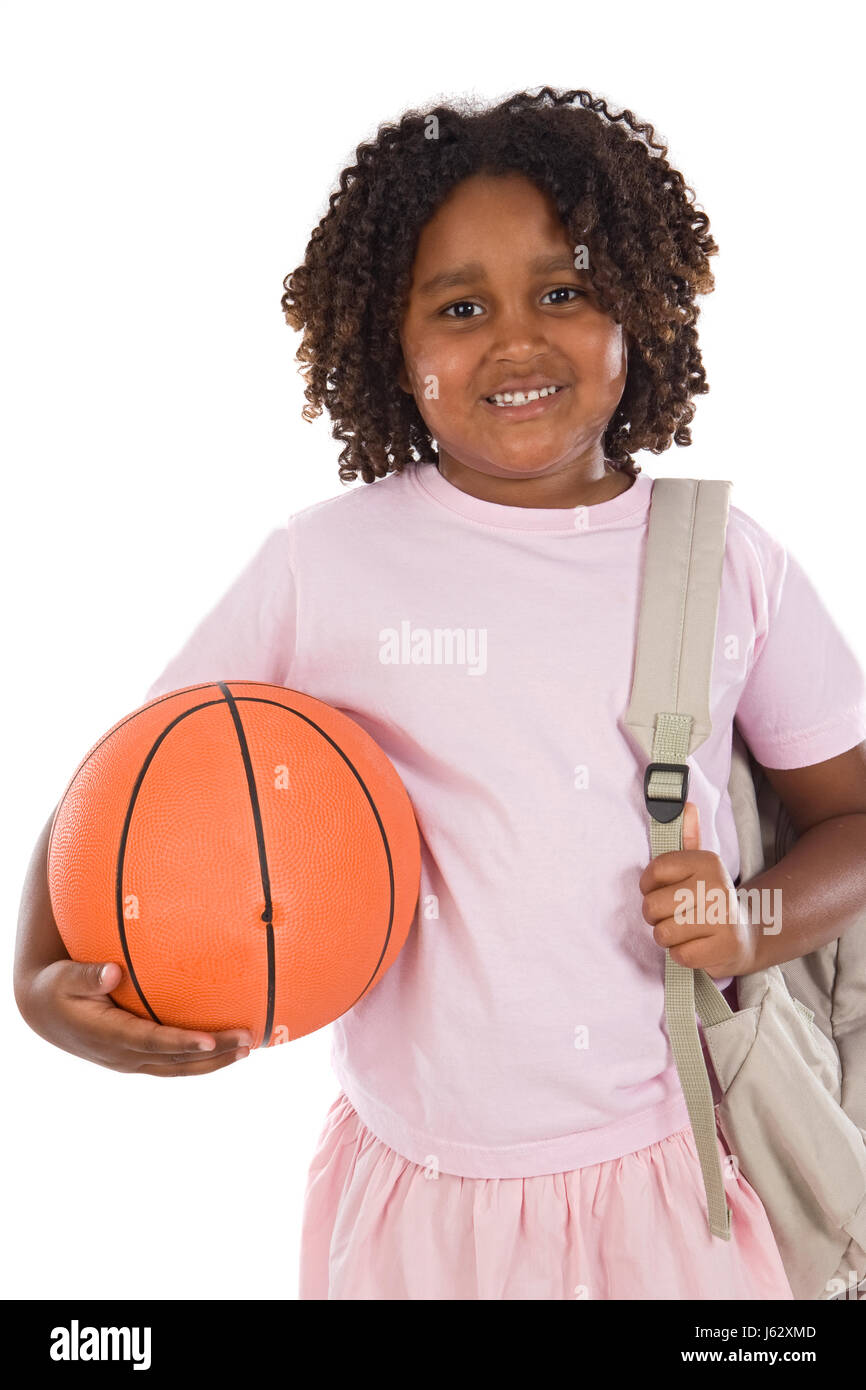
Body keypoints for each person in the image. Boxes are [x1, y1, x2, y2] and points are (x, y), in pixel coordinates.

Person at [15, 87, 866, 1300]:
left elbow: (850, 820)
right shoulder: (327, 562)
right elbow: (134, 775)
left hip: (668, 1182)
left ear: (640, 303)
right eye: (459, 307)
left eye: (562, 291)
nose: (515, 340)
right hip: (409, 1195)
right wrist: (43, 979)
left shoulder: (720, 559)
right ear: (387, 340)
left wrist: (751, 925)